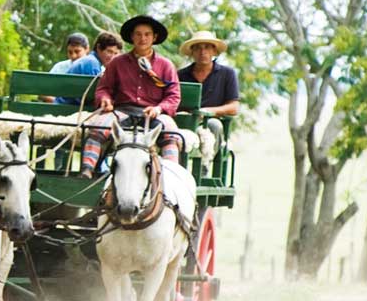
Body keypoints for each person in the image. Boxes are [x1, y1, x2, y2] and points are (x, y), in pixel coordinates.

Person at [79, 15, 184, 178]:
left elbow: (173, 96)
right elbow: (104, 88)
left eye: (147, 34)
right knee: (98, 125)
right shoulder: (117, 62)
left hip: (154, 113)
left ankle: (172, 175)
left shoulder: (165, 65)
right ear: (132, 37)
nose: (143, 38)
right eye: (138, 34)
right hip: (123, 111)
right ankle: (87, 169)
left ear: (154, 37)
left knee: (171, 132)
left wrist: (159, 108)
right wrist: (105, 99)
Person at [177, 30, 240, 117]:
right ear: (192, 52)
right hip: (186, 121)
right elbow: (173, 101)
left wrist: (208, 111)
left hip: (214, 121)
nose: (202, 52)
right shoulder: (180, 75)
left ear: (214, 51)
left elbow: (234, 107)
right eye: (198, 48)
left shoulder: (227, 73)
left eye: (207, 47)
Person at [55, 31, 123, 105]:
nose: (112, 57)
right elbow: (95, 96)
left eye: (116, 53)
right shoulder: (91, 63)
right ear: (99, 48)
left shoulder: (91, 60)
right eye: (109, 51)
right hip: (67, 109)